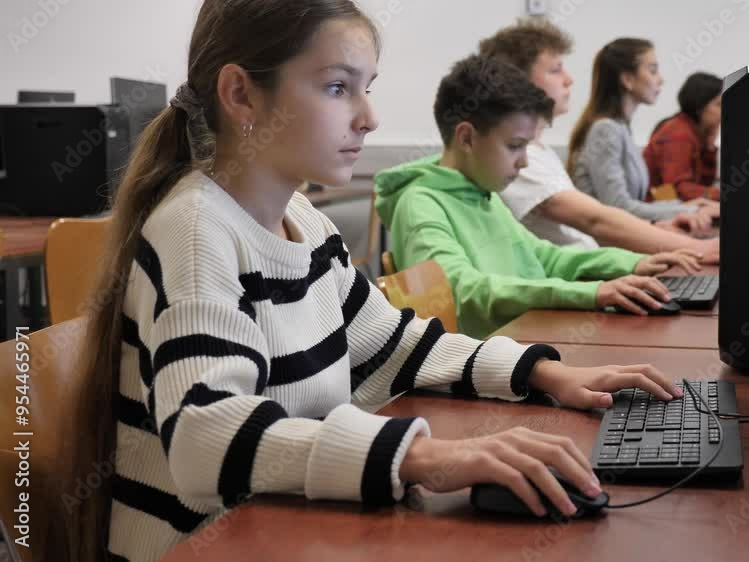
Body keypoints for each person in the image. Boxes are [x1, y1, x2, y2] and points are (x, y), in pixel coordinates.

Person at [68, 3, 683, 562]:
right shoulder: (198, 233)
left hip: (287, 530)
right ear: (241, 96)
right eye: (338, 87)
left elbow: (396, 343)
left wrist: (543, 373)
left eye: (367, 89)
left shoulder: (302, 222)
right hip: (207, 546)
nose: (369, 117)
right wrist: (425, 457)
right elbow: (205, 435)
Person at [375, 55, 703, 340]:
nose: (525, 161)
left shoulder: (482, 192)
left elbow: (545, 259)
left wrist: (635, 263)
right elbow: (461, 291)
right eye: (515, 146)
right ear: (467, 138)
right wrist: (590, 294)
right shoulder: (420, 205)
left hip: (524, 343)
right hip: (480, 369)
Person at [478, 19, 719, 255]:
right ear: (518, 82)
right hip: (590, 272)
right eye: (555, 69)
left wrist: (661, 226)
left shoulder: (542, 151)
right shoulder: (522, 157)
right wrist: (696, 243)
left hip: (600, 264)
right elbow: (597, 219)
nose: (569, 79)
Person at [568, 38, 720, 223]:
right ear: (628, 80)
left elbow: (632, 203)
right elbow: (617, 206)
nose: (660, 79)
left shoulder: (621, 127)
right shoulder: (606, 130)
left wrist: (689, 207)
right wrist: (689, 210)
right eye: (653, 70)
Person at [644, 72, 723, 201]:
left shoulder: (694, 130)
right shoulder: (679, 135)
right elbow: (679, 189)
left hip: (670, 207)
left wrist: (709, 145)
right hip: (656, 211)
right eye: (719, 104)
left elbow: (703, 184)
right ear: (700, 106)